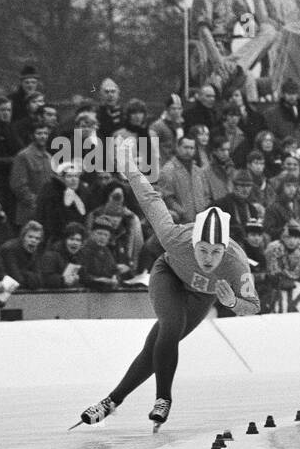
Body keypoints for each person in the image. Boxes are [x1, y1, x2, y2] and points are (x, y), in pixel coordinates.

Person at [77, 148, 260, 430]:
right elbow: (150, 198)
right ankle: (164, 399)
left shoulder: (236, 263)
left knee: (155, 347)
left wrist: (234, 303)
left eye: (215, 252)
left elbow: (253, 308)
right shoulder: (174, 237)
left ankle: (111, 401)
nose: (208, 258)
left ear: (225, 249)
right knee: (170, 327)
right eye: (202, 249)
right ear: (193, 242)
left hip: (202, 294)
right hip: (169, 276)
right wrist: (129, 168)